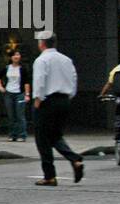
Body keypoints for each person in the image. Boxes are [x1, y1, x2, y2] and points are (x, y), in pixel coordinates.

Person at [31, 31, 83, 186]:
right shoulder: (66, 60)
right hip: (64, 100)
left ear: (41, 43)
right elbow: (74, 79)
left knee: (42, 139)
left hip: (47, 101)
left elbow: (40, 81)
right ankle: (74, 159)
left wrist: (38, 99)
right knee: (55, 135)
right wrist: (68, 96)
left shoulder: (42, 60)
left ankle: (50, 176)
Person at [0, 48, 31, 141]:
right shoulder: (7, 68)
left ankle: (22, 135)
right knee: (11, 115)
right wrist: (0, 87)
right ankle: (12, 134)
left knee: (20, 115)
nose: (16, 57)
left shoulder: (23, 69)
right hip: (9, 94)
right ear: (11, 57)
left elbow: (26, 82)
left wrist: (27, 94)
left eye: (18, 55)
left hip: (20, 94)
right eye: (14, 55)